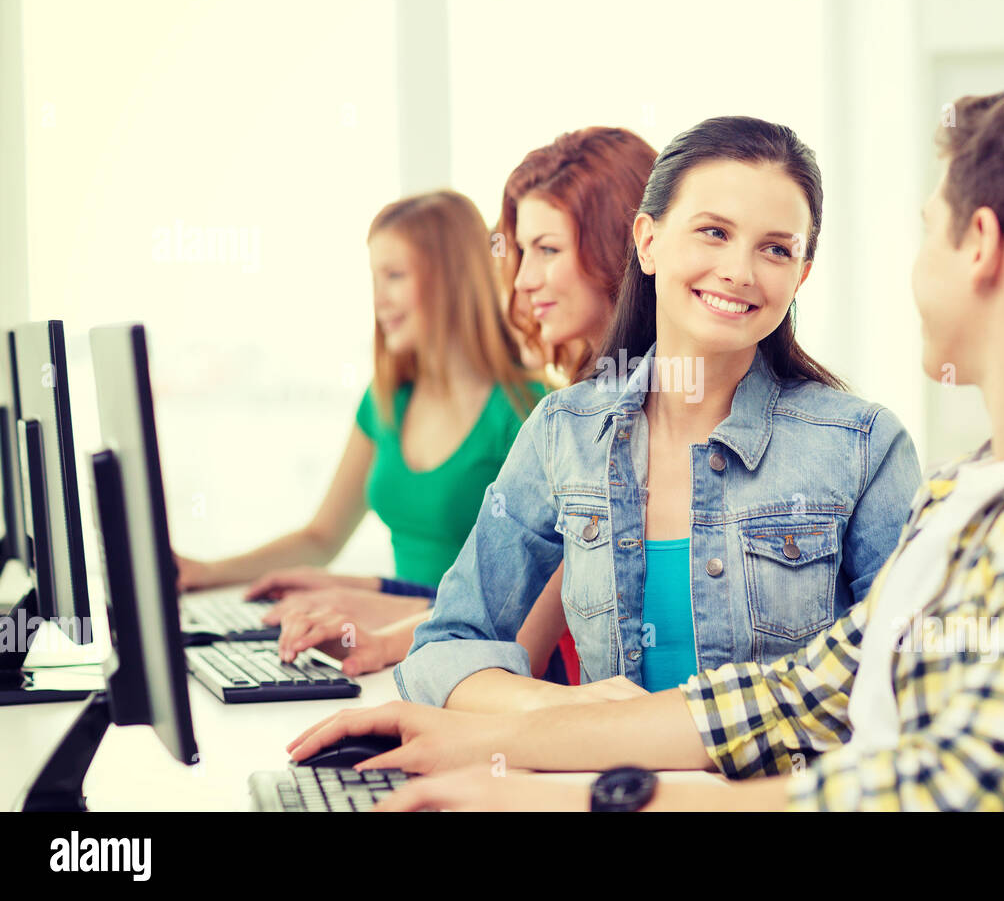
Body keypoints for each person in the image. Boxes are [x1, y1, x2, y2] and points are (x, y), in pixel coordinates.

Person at [289, 79, 1004, 811]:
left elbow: (945, 795)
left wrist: (577, 792)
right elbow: (794, 695)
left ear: (979, 247)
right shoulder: (990, 491)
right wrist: (479, 741)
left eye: (924, 230)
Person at [387, 115, 922, 714]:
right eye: (714, 232)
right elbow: (445, 646)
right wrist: (561, 709)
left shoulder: (864, 446)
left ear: (801, 275)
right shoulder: (564, 432)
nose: (740, 272)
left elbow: (912, 685)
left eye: (775, 248)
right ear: (647, 241)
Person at [269, 127, 658, 681]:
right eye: (521, 251)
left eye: (546, 250)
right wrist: (367, 614)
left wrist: (380, 634)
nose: (521, 281)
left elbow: (524, 631)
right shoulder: (570, 414)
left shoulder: (550, 410)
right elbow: (490, 611)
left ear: (624, 245)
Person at [174, 190, 545, 675]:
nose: (379, 299)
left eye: (394, 276)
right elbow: (321, 536)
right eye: (375, 278)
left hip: (465, 648)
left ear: (451, 280)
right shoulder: (388, 398)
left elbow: (529, 605)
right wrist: (204, 572)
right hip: (404, 638)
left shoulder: (526, 410)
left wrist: (365, 596)